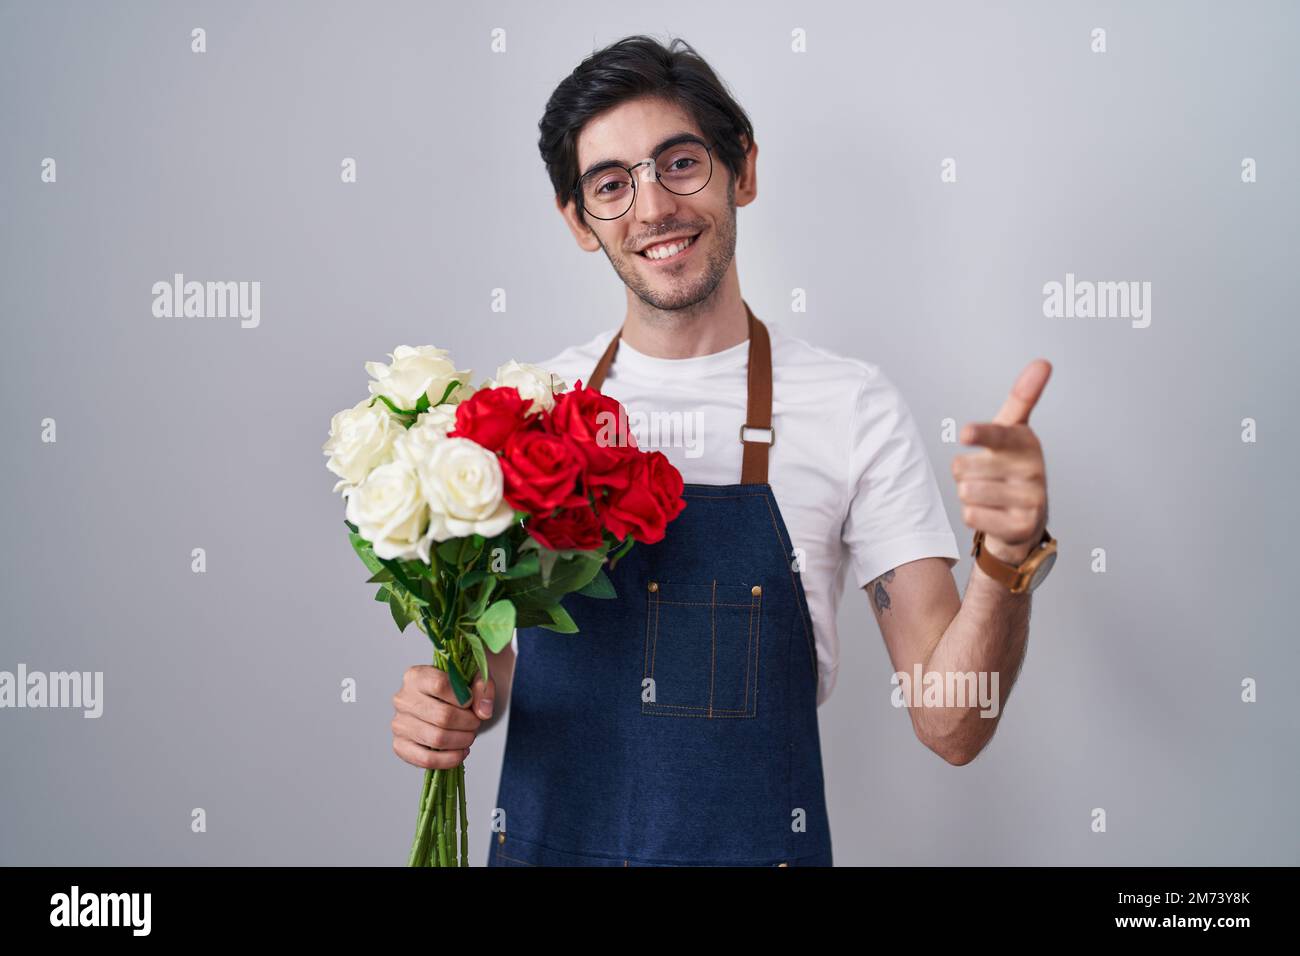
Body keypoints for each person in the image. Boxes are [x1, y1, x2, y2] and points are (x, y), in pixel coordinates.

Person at [391, 34, 1057, 867]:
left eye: (679, 163)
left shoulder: (852, 410)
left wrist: (1006, 557)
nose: (653, 207)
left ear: (741, 167)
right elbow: (486, 675)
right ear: (578, 222)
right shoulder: (529, 411)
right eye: (610, 185)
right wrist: (449, 701)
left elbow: (951, 724)